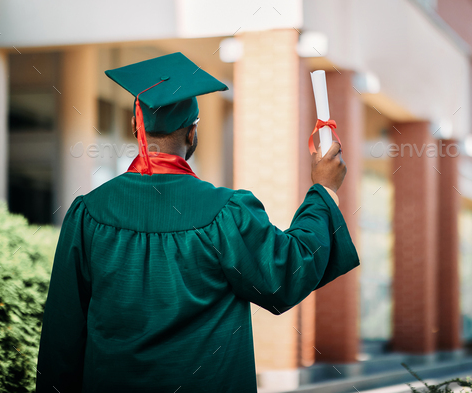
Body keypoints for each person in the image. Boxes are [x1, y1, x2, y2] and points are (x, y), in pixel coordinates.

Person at [36, 52, 359, 392]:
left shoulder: (88, 214)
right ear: (192, 133)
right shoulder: (226, 212)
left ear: (135, 126)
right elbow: (288, 271)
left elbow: (63, 334)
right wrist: (324, 189)